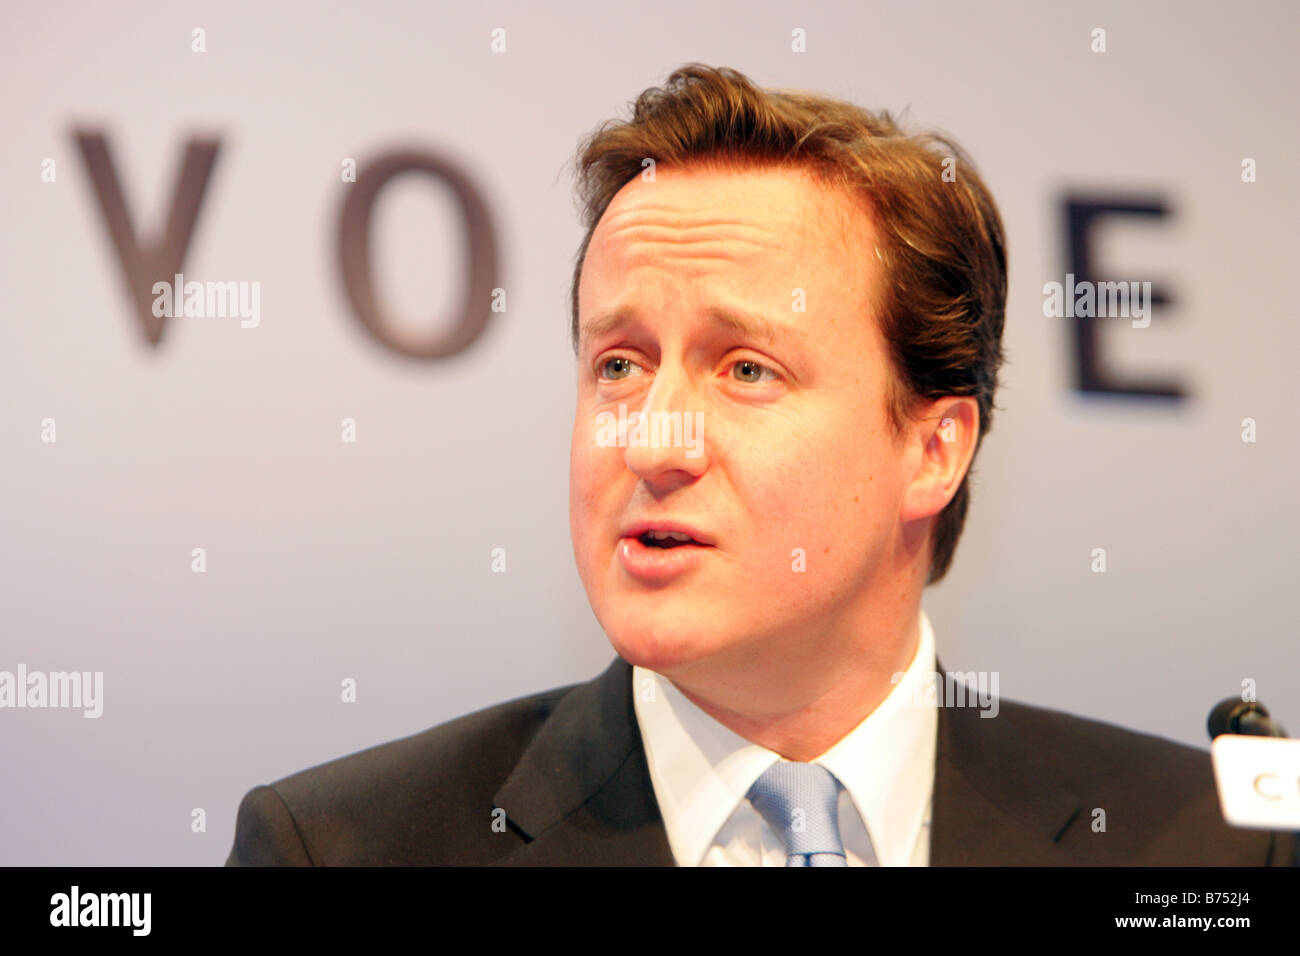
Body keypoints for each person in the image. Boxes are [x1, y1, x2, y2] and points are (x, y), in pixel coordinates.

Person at [226, 64, 1285, 866]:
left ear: (932, 446)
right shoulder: (344, 847)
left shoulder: (1209, 843)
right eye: (620, 363)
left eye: (744, 368)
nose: (650, 439)